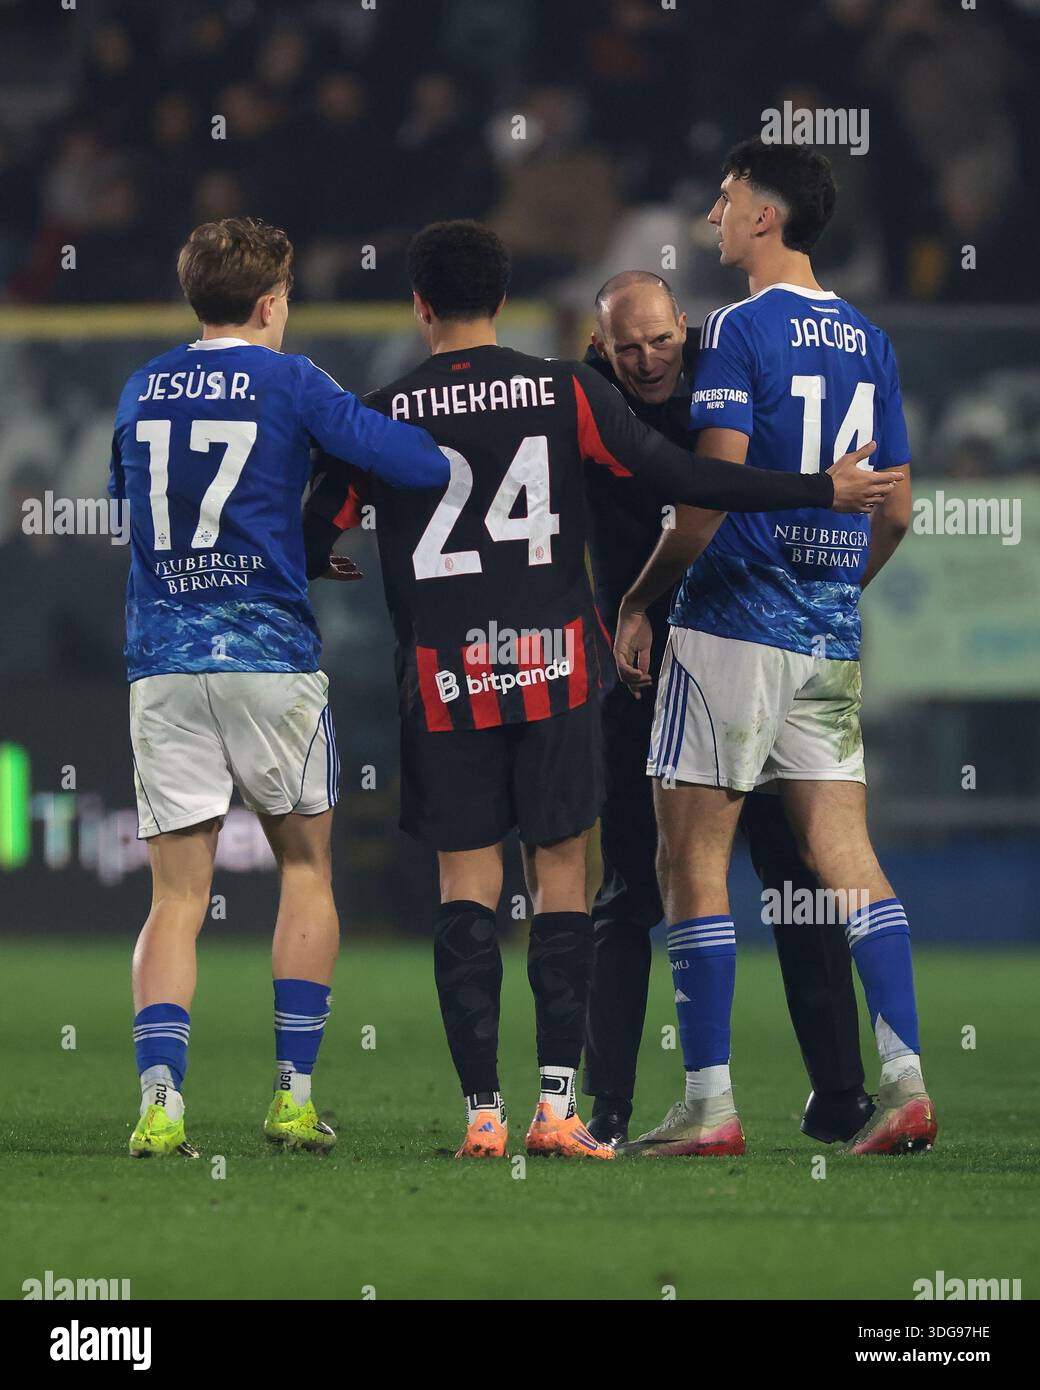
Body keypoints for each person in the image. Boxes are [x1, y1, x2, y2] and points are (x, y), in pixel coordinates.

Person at [302, 218, 896, 1161]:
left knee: (470, 886)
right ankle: (560, 1107)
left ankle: (482, 1118)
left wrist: (321, 551)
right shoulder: (565, 390)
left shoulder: (385, 415)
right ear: (504, 300)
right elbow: (683, 476)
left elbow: (320, 516)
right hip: (556, 670)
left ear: (418, 307)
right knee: (570, 880)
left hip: (449, 675)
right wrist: (818, 490)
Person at [614, 140, 935, 1157]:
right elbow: (896, 513)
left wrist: (636, 598)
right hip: (825, 632)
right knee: (847, 857)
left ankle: (708, 1102)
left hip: (727, 628)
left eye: (723, 199)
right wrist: (831, 591)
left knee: (689, 855)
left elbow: (707, 500)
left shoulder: (736, 331)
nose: (710, 215)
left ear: (763, 217)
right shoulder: (869, 340)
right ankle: (905, 1083)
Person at [110, 217, 448, 1159]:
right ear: (270, 303)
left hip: (164, 661)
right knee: (305, 871)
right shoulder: (292, 379)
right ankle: (293, 1096)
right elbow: (416, 464)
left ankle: (160, 1104)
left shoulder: (142, 388)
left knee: (175, 899)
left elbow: (133, 511)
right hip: (267, 659)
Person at [582, 269, 874, 1149]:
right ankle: (610, 1106)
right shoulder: (589, 399)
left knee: (797, 880)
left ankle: (840, 1092)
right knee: (632, 891)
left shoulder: (727, 376)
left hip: (747, 658)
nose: (646, 359)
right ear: (601, 348)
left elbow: (707, 503)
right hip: (643, 677)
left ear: (686, 326)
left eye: (660, 339)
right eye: (627, 347)